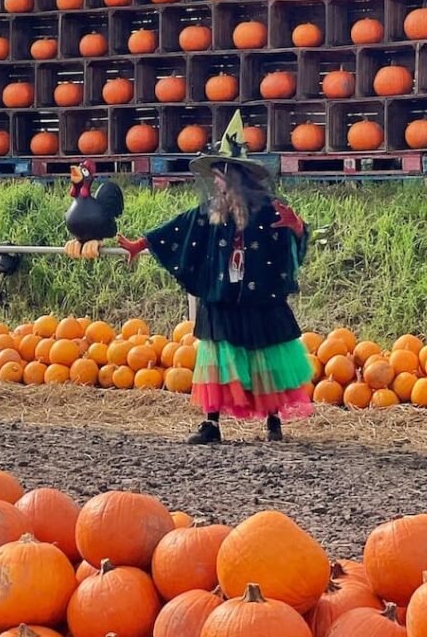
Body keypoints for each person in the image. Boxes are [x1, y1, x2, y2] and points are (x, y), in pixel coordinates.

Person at [118, 114, 313, 444]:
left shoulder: (269, 209)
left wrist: (296, 229)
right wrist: (142, 243)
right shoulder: (210, 210)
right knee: (218, 357)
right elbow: (178, 228)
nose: (216, 182)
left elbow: (294, 240)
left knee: (264, 355)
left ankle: (273, 421)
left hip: (259, 297)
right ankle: (211, 424)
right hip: (222, 295)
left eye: (220, 176)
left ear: (234, 177)